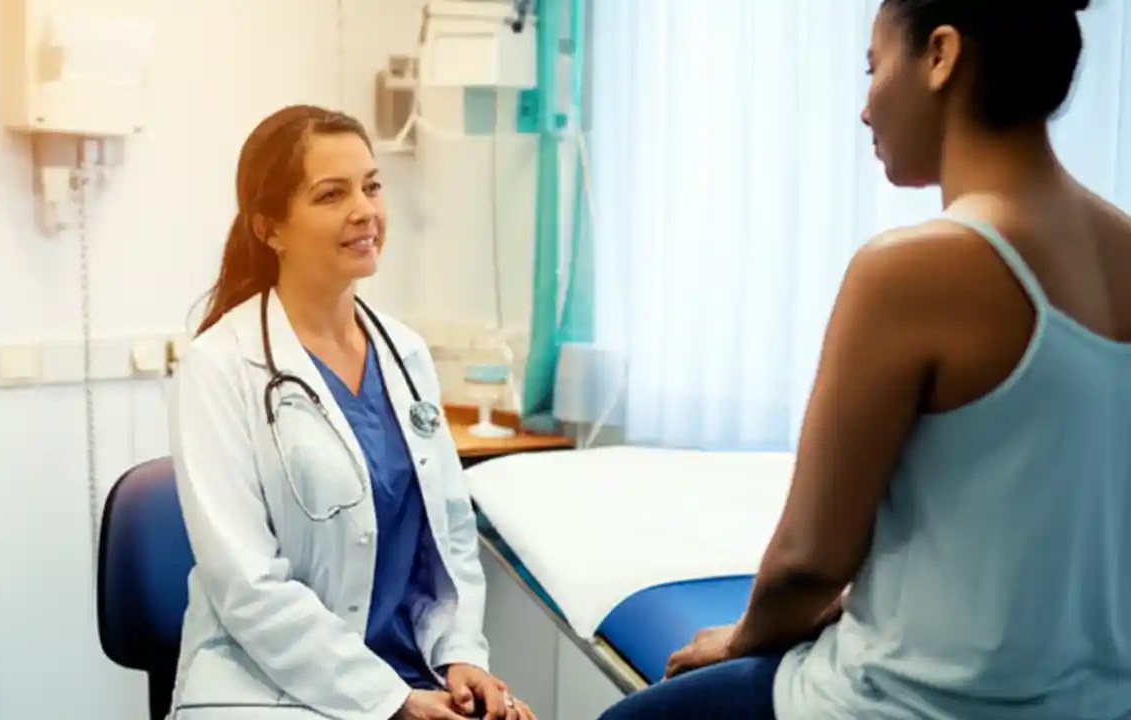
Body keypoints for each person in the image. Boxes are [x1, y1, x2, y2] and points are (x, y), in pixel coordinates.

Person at [600, 0, 1131, 718]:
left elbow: (809, 562)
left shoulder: (914, 269)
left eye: (873, 68)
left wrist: (740, 639)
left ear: (940, 56)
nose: (864, 108)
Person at [168, 105, 536, 720]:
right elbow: (247, 586)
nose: (365, 210)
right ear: (270, 228)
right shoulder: (219, 367)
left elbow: (447, 541)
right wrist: (391, 701)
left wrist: (461, 655)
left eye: (371, 186)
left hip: (407, 670)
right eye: (331, 194)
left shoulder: (405, 354)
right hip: (264, 682)